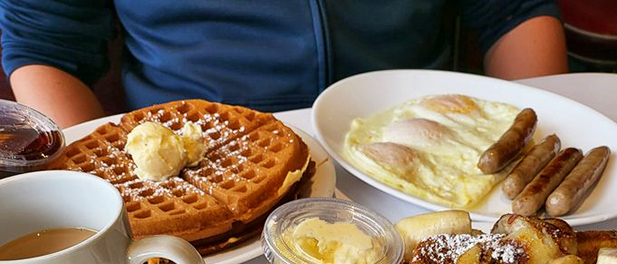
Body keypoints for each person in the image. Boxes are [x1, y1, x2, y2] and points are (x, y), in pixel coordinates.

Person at [0, 1, 567, 128]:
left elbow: (512, 11)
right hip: (196, 150)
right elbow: (46, 47)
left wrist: (535, 133)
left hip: (428, 134)